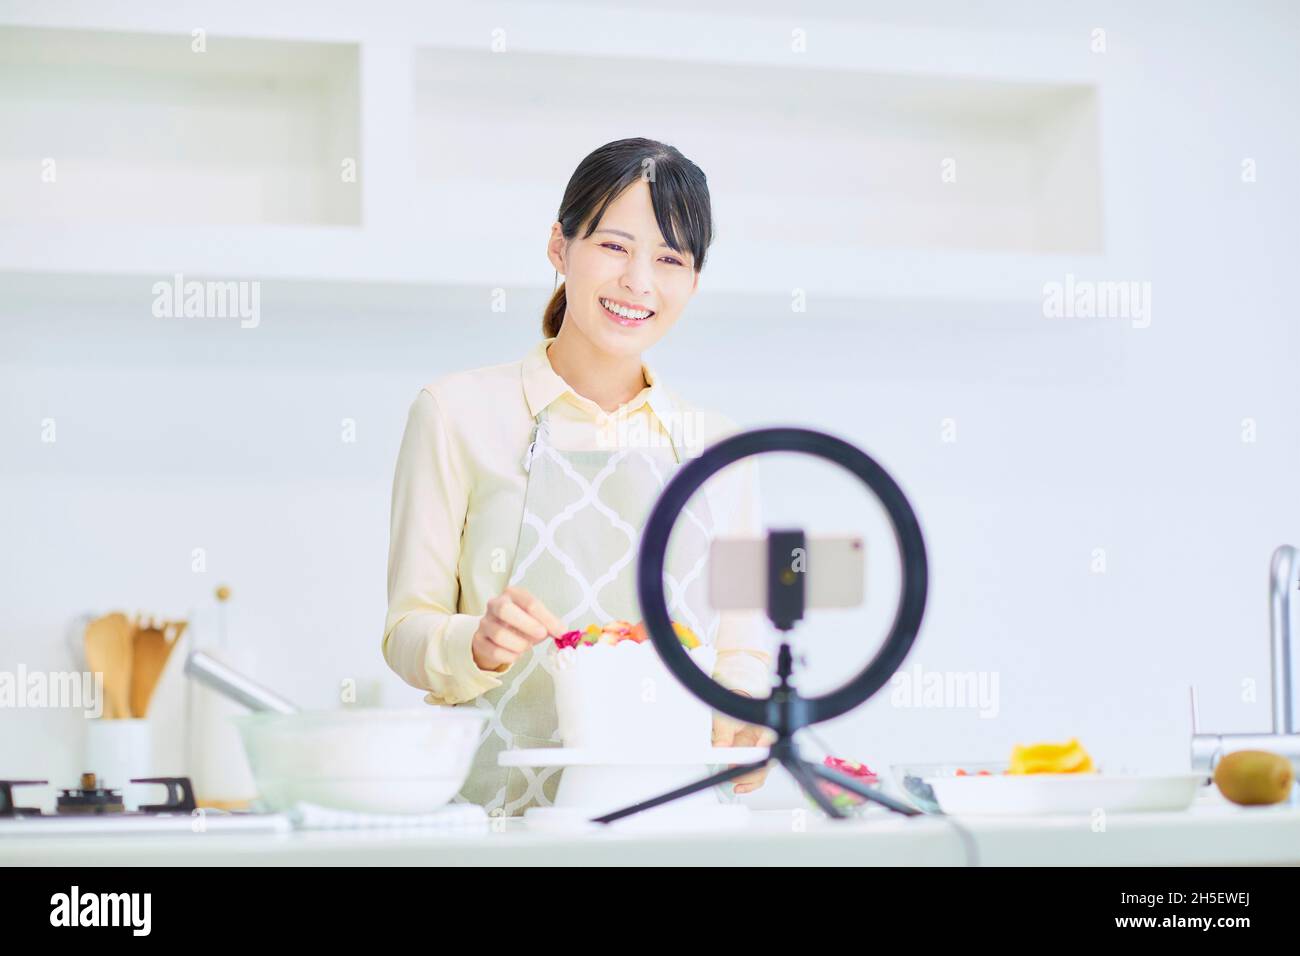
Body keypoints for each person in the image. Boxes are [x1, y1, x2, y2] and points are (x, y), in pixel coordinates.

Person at [383, 137, 774, 817]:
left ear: (694, 282)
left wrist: (743, 715)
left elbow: (742, 649)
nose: (638, 282)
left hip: (676, 826)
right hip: (501, 828)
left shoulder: (723, 451)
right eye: (615, 246)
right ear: (560, 248)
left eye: (669, 259)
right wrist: (473, 642)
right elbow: (406, 631)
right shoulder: (455, 414)